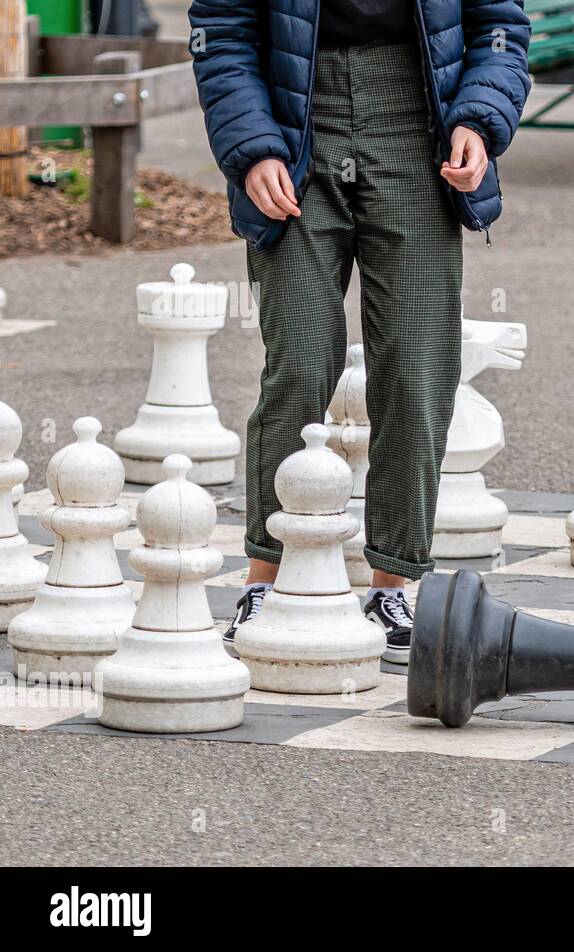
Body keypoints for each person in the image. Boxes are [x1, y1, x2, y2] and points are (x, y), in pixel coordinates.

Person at [188, 0, 532, 663]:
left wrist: (479, 123)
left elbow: (500, 29)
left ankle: (394, 583)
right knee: (300, 363)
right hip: (293, 129)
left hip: (418, 129)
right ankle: (268, 578)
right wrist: (252, 147)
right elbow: (224, 32)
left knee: (417, 365)